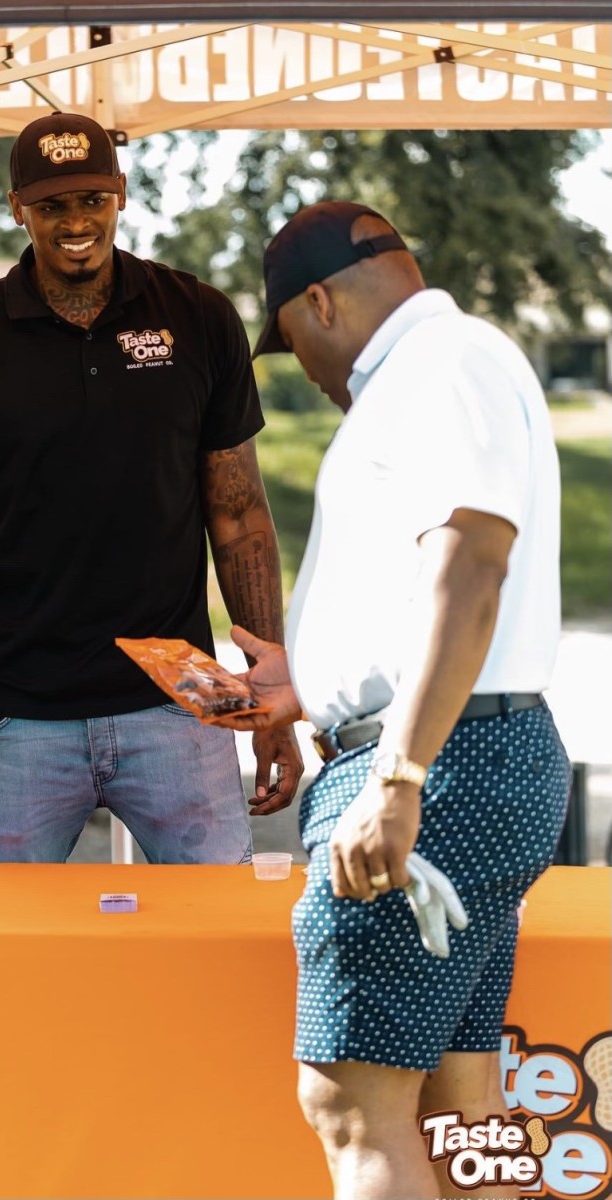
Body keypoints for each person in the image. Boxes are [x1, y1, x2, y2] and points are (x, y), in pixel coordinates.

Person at [219, 201, 571, 1199]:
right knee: (465, 1108)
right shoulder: (456, 364)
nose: (310, 377)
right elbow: (432, 590)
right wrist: (307, 685)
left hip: (433, 772)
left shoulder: (434, 365)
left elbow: (470, 567)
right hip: (476, 759)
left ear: (320, 302)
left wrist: (397, 773)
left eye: (292, 347)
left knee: (354, 1111)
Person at [0, 111, 302, 865]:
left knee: (212, 943)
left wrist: (269, 706)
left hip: (179, 708)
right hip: (17, 719)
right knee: (16, 962)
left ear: (120, 196)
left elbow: (237, 517)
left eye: (90, 200)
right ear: (18, 208)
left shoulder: (198, 318)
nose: (75, 222)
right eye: (51, 206)